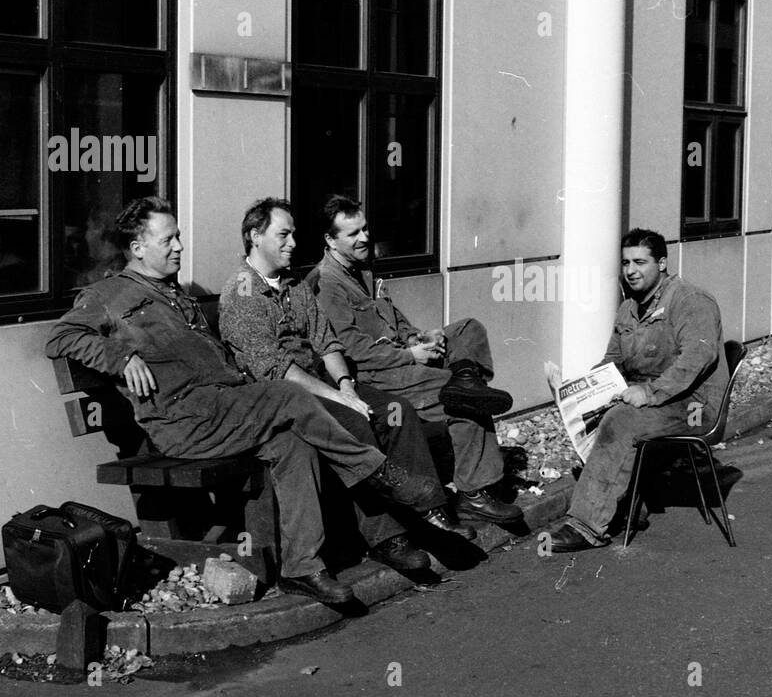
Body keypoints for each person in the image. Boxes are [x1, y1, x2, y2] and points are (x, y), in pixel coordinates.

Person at [45, 197, 470, 607]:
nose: (179, 247)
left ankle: (301, 567)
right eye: (168, 240)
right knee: (288, 394)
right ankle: (382, 475)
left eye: (179, 237)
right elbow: (61, 337)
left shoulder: (173, 293)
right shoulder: (110, 295)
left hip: (224, 409)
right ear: (137, 249)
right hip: (184, 422)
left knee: (293, 444)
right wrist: (122, 357)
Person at [218, 198, 474, 574]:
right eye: (283, 235)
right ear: (255, 237)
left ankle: (431, 511)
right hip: (282, 399)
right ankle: (387, 538)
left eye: (293, 234)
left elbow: (327, 342)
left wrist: (346, 384)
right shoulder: (242, 293)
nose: (292, 243)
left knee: (395, 410)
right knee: (355, 424)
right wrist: (338, 397)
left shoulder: (293, 285)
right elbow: (276, 369)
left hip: (323, 383)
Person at [312, 195, 523, 525]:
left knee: (468, 329)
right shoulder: (326, 285)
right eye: (352, 234)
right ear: (330, 240)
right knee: (460, 394)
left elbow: (394, 319)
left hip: (404, 357)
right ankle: (473, 494)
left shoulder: (363, 270)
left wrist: (418, 337)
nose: (364, 238)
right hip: (377, 376)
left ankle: (467, 379)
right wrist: (409, 354)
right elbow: (352, 350)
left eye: (365, 229)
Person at [549, 228, 728, 551]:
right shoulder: (628, 307)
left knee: (622, 421)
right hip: (654, 399)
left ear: (661, 263)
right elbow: (611, 364)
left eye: (640, 262)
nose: (631, 271)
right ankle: (627, 503)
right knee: (596, 416)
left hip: (694, 406)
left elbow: (699, 356)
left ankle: (587, 525)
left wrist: (650, 393)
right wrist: (576, 391)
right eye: (626, 262)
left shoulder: (690, 300)